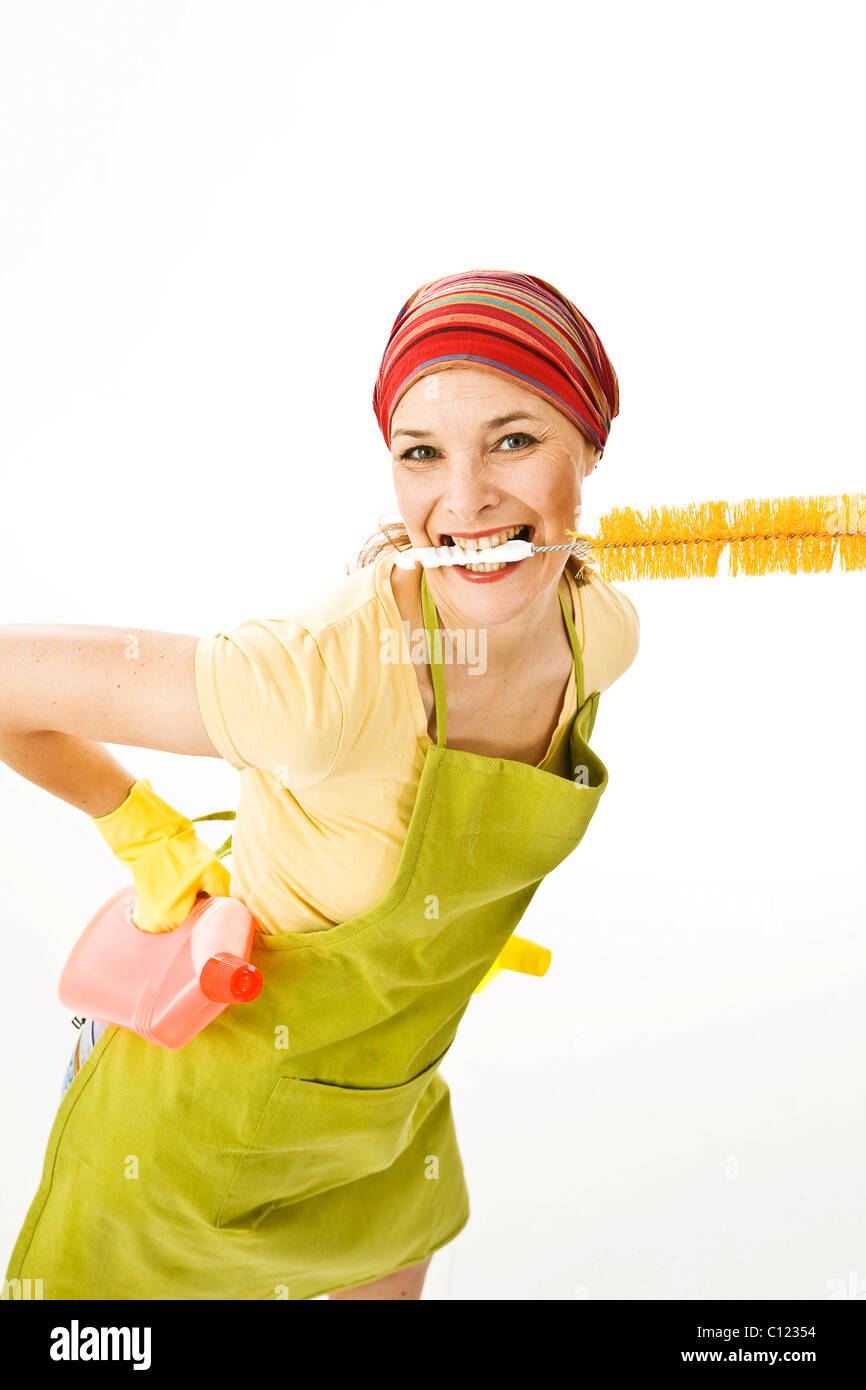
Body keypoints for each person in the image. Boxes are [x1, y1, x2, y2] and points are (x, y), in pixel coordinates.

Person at [1, 268, 639, 1301]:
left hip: (380, 1124)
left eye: (514, 439)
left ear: (590, 446)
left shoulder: (597, 634)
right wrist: (138, 826)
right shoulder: (315, 678)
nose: (465, 500)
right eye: (420, 453)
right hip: (194, 1146)